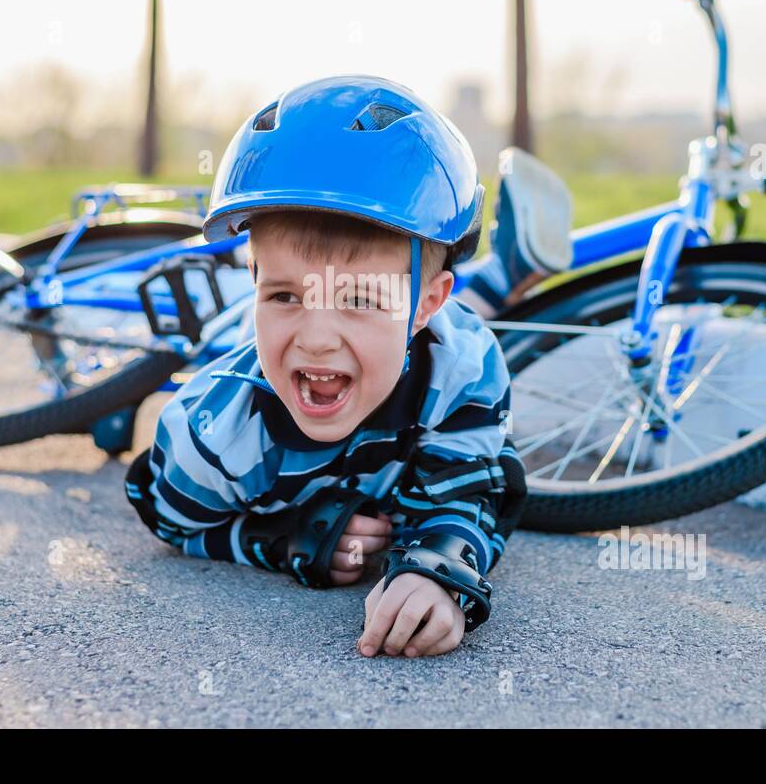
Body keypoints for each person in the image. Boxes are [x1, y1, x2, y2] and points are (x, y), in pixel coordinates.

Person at [124, 74, 571, 658]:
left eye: (359, 299)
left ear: (427, 304)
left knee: (441, 350)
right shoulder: (215, 436)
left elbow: (473, 487)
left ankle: (492, 281)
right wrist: (284, 539)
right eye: (283, 296)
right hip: (269, 375)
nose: (315, 341)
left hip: (429, 332)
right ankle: (492, 279)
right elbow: (167, 517)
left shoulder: (464, 370)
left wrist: (436, 568)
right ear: (253, 281)